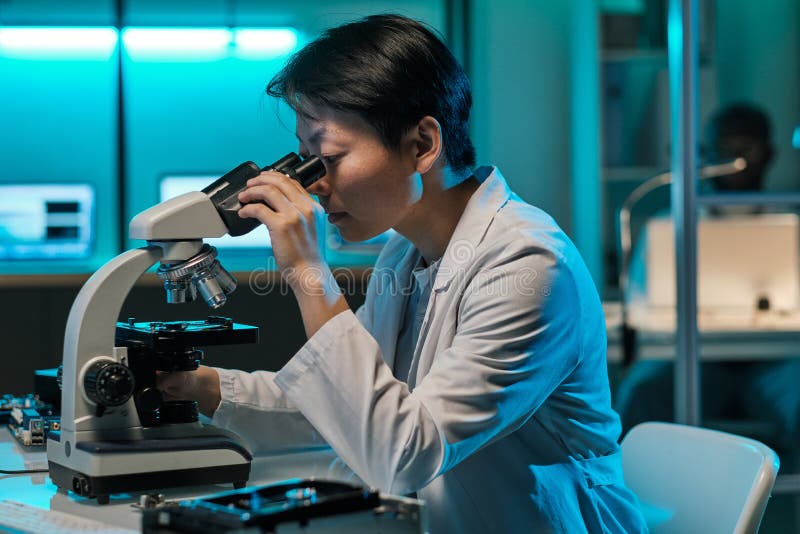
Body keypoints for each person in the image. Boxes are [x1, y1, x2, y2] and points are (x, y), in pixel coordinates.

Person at [159, 14, 647, 533]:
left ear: (421, 145)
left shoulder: (529, 266)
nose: (313, 186)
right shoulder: (404, 252)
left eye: (325, 158)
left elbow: (405, 452)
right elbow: (345, 405)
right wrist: (199, 386)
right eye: (303, 161)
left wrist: (307, 272)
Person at [614, 103, 800, 467]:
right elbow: (638, 310)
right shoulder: (669, 227)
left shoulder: (790, 226)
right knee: (640, 394)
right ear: (706, 154)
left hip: (774, 362)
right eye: (726, 148)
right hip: (691, 360)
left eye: (748, 147)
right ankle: (635, 516)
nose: (737, 159)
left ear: (771, 155)